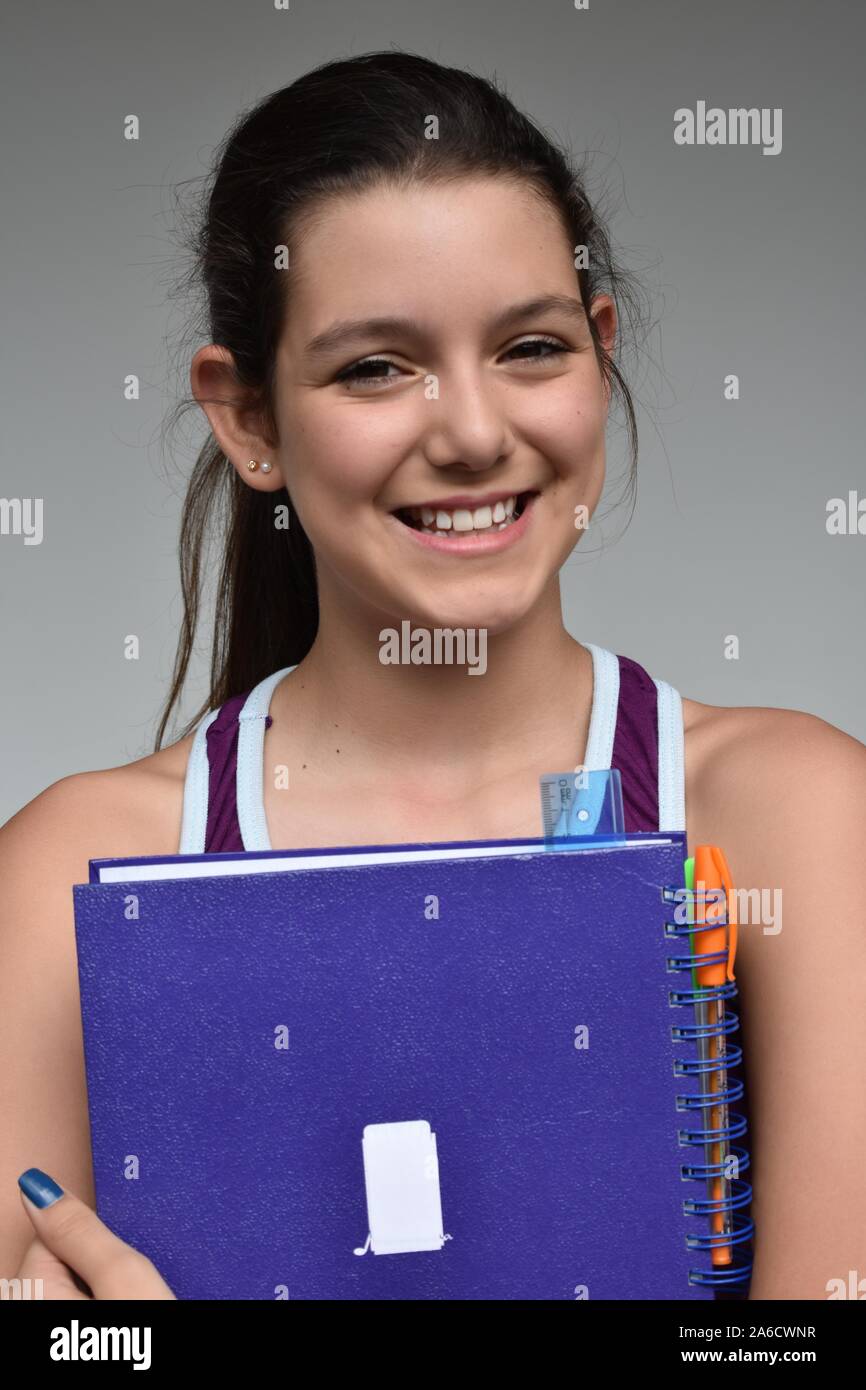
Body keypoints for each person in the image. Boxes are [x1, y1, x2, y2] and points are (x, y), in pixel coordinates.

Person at [2, 50, 865, 1302]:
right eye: (374, 367)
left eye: (528, 346)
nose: (468, 432)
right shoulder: (60, 879)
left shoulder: (803, 816)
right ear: (246, 419)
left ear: (598, 354)